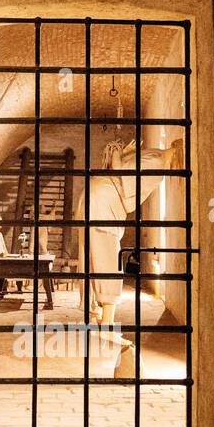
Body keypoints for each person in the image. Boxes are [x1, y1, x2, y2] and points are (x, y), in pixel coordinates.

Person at [75, 136, 183, 325]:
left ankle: (93, 313)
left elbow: (117, 169)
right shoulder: (158, 162)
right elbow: (122, 176)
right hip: (103, 203)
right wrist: (118, 152)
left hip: (92, 196)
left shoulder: (154, 152)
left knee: (90, 258)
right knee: (108, 261)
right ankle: (107, 319)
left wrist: (122, 154)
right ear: (179, 155)